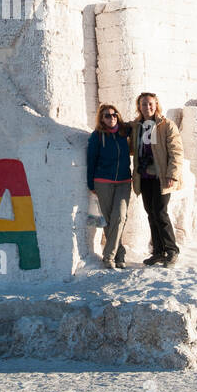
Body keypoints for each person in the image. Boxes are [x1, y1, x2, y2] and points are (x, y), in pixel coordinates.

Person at [125, 92, 183, 267]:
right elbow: (130, 146)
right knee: (151, 213)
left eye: (150, 104)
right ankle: (158, 252)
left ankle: (172, 250)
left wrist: (172, 174)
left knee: (160, 212)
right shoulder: (137, 126)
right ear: (139, 106)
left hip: (161, 177)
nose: (147, 107)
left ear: (156, 105)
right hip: (145, 176)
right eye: (144, 104)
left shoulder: (166, 125)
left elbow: (176, 152)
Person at [86, 103, 132, 269]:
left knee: (120, 217)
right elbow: (91, 160)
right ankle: (119, 255)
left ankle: (108, 256)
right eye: (107, 115)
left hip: (124, 181)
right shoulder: (97, 136)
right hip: (103, 182)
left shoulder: (125, 132)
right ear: (101, 118)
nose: (111, 118)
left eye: (114, 114)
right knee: (109, 221)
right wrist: (90, 182)